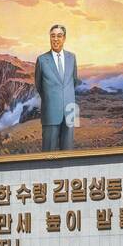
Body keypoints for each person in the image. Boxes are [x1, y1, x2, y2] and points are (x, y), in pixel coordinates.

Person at [33, 23, 80, 151]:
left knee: (68, 153)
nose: (55, 39)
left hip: (70, 112)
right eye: (52, 36)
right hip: (50, 112)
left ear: (64, 38)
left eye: (59, 36)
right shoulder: (42, 60)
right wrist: (51, 98)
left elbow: (74, 81)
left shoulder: (72, 57)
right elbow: (39, 86)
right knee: (48, 154)